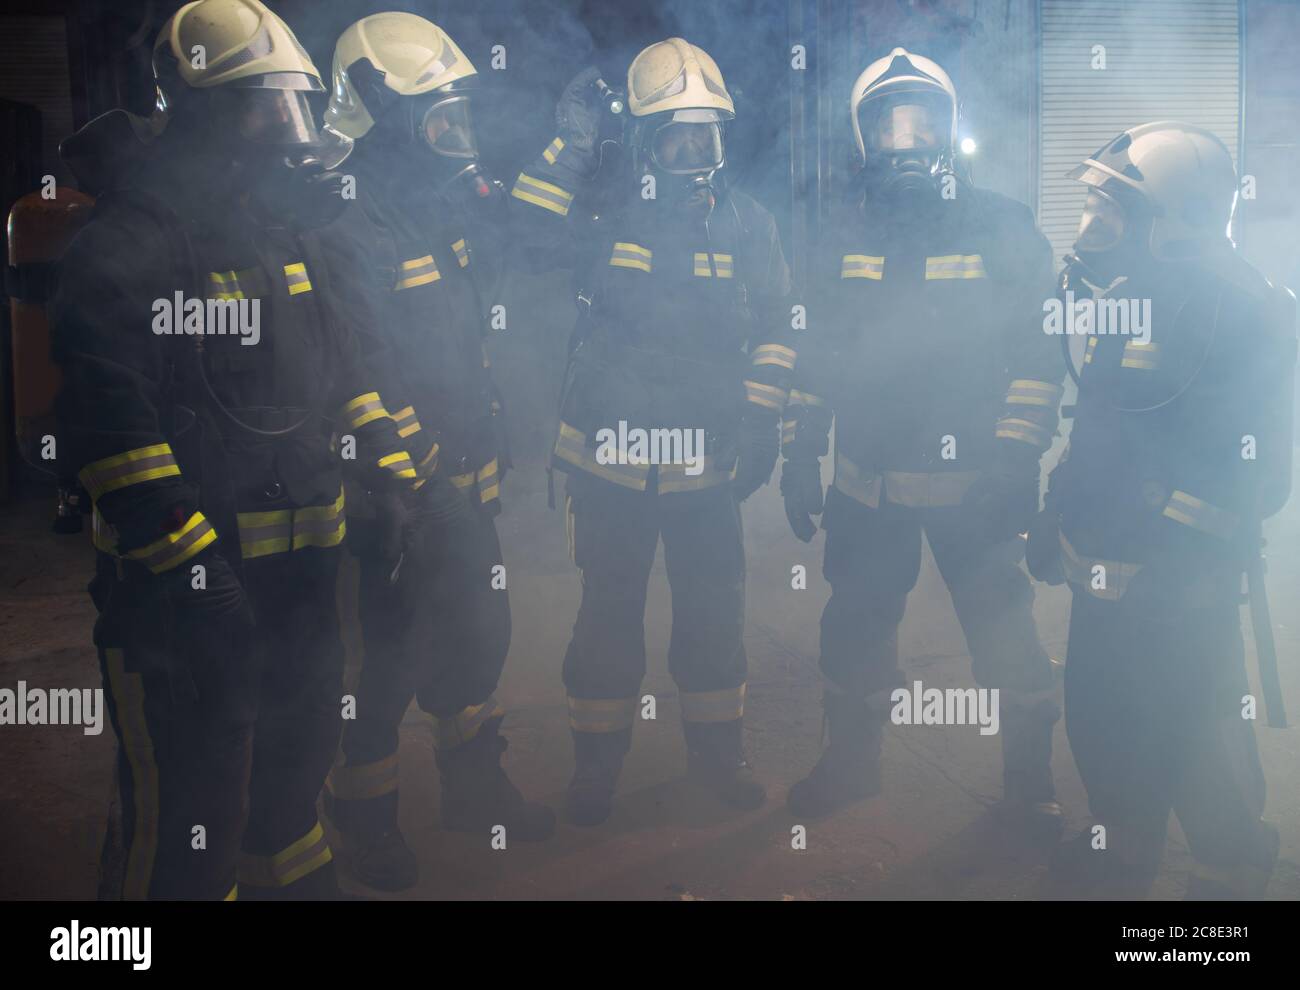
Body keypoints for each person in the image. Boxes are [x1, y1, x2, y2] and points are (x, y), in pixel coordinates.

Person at [51, 0, 414, 900]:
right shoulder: (129, 245)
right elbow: (110, 427)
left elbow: (344, 372)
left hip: (300, 582)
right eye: (266, 109)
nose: (290, 136)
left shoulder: (289, 239)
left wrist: (389, 480)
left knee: (292, 778)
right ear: (204, 118)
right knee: (186, 813)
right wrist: (190, 573)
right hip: (180, 606)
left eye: (297, 108)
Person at [510, 39, 795, 825]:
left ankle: (719, 758)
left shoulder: (750, 224)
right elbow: (526, 231)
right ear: (644, 141)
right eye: (676, 134)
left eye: (706, 134)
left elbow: (778, 326)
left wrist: (765, 417)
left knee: (711, 616)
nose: (695, 150)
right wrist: (569, 146)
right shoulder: (603, 215)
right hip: (609, 462)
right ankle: (595, 771)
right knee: (606, 619)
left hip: (706, 464)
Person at [781, 49, 1065, 831]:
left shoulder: (1001, 225)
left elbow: (1041, 356)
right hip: (867, 486)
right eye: (888, 125)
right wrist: (799, 449)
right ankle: (851, 767)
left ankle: (1028, 787)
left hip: (975, 486)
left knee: (1005, 635)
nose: (906, 142)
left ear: (951, 132)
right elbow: (815, 351)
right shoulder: (840, 230)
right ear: (863, 139)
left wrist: (1016, 456)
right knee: (855, 630)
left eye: (923, 123)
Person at [317, 12, 554, 892]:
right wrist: (413, 483)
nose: (457, 140)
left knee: (476, 638)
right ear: (380, 120)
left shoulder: (435, 207)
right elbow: (360, 366)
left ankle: (473, 790)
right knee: (381, 664)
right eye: (439, 122)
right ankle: (366, 819)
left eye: (461, 119)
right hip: (389, 502)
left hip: (460, 486)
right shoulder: (346, 222)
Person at [1030, 121, 1294, 897]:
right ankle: (1123, 852)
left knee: (1203, 745)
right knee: (1102, 728)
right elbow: (1107, 421)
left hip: (1183, 595)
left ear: (1174, 224)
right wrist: (1061, 508)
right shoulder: (1125, 296)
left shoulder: (1253, 313)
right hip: (1102, 580)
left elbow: (1261, 477)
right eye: (1095, 209)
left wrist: (1162, 544)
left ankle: (1229, 879)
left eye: (1113, 213)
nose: (1092, 230)